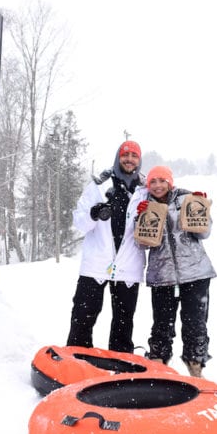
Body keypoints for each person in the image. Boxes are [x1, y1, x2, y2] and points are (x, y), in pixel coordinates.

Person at [132, 165, 217, 377]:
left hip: (195, 272)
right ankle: (159, 366)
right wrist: (140, 218)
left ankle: (196, 367)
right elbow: (142, 244)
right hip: (162, 275)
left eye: (162, 181)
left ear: (170, 182)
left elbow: (204, 234)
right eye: (153, 182)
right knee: (162, 323)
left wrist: (200, 208)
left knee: (195, 324)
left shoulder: (186, 198)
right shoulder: (145, 205)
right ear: (148, 185)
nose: (158, 185)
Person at [65, 140, 146, 352]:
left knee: (124, 320)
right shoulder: (99, 185)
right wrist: (93, 213)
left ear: (139, 160)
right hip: (97, 261)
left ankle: (120, 362)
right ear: (118, 157)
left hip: (129, 263)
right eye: (125, 155)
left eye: (134, 156)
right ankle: (77, 355)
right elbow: (79, 220)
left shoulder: (145, 189)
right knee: (84, 314)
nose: (129, 160)